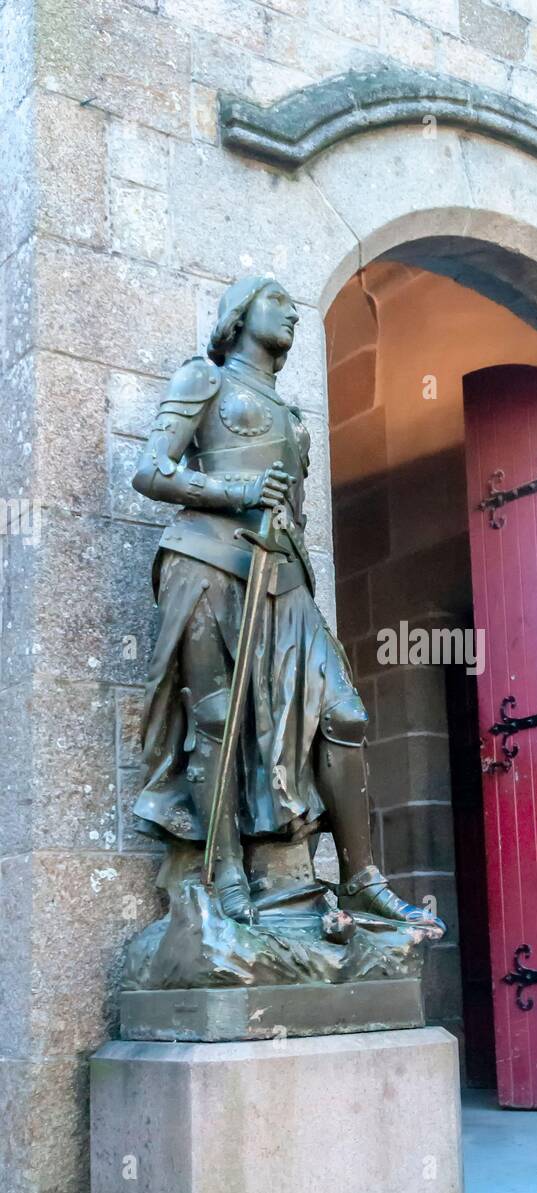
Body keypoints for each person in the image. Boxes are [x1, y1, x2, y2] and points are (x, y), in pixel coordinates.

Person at [132, 274, 443, 936]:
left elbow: (292, 518)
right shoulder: (205, 379)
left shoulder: (293, 418)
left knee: (342, 713)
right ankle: (224, 875)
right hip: (209, 562)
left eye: (293, 305)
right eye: (277, 302)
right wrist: (235, 486)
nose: (291, 314)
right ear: (238, 316)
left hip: (282, 577)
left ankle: (361, 879)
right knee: (215, 720)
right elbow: (151, 469)